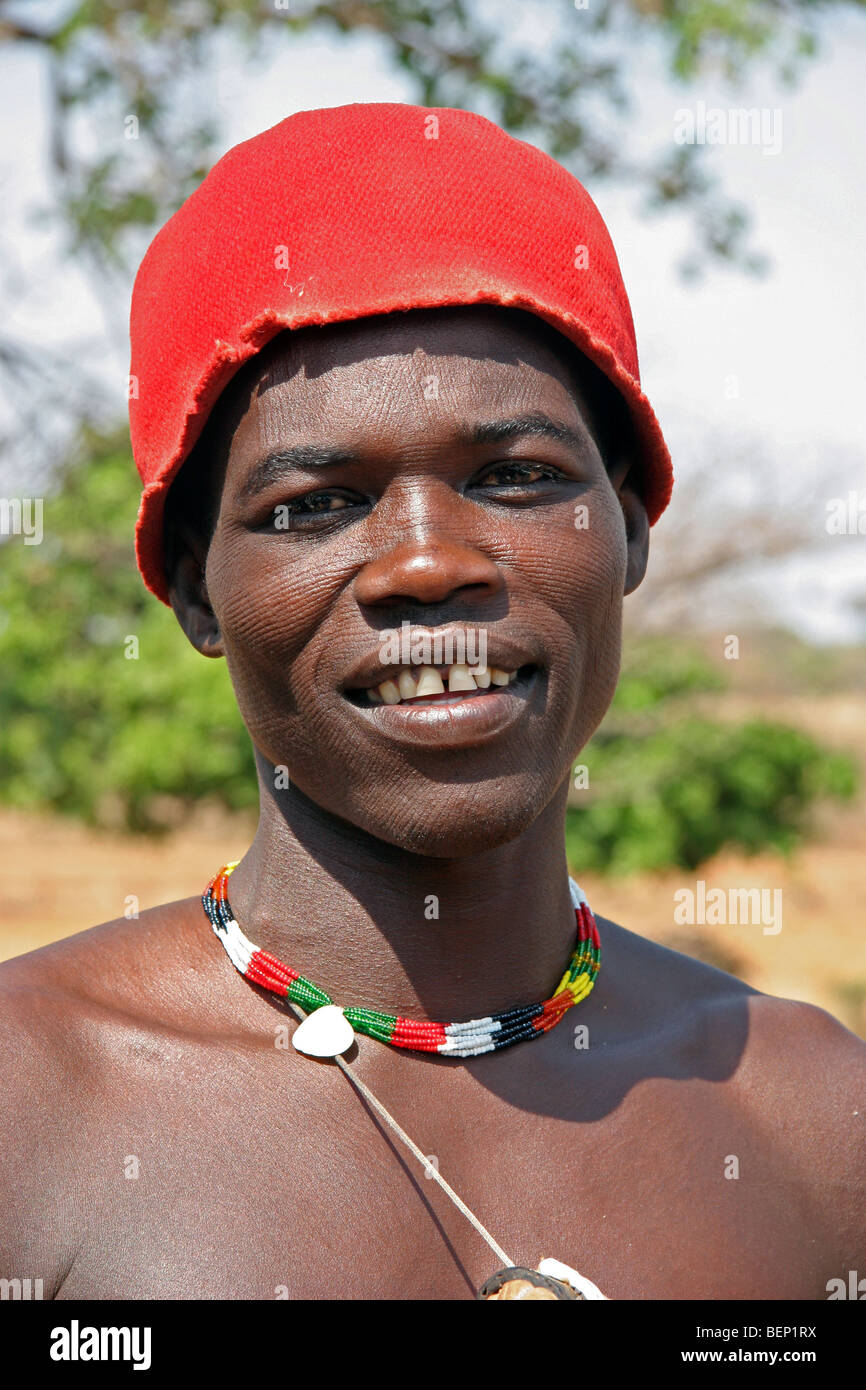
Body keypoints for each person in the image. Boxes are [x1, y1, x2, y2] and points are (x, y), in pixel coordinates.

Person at [1, 104, 863, 1302]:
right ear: (195, 588)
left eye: (515, 477)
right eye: (313, 502)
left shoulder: (812, 1118)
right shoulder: (28, 1109)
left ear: (627, 529)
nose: (425, 563)